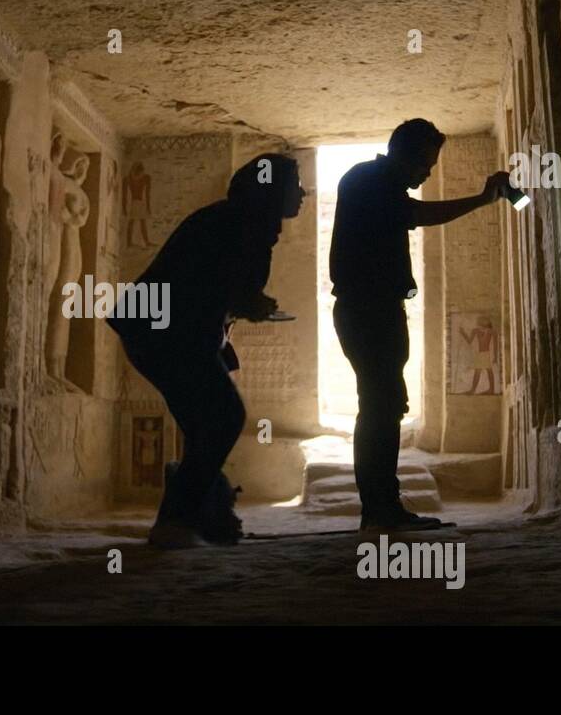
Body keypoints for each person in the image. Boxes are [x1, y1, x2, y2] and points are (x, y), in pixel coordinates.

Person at [108, 153, 305, 548]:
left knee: (206, 425)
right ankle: (176, 522)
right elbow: (208, 288)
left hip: (163, 332)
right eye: (293, 186)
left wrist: (247, 303)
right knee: (225, 417)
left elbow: (217, 288)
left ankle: (206, 514)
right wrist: (249, 304)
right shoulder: (236, 224)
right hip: (164, 332)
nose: (301, 194)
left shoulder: (241, 221)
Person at [329, 119, 509, 531]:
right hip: (368, 309)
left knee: (383, 403)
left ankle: (380, 509)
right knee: (380, 404)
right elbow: (418, 214)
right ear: (405, 155)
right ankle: (379, 510)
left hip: (375, 308)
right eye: (425, 163)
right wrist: (482, 200)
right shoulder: (369, 182)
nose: (427, 173)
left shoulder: (375, 183)